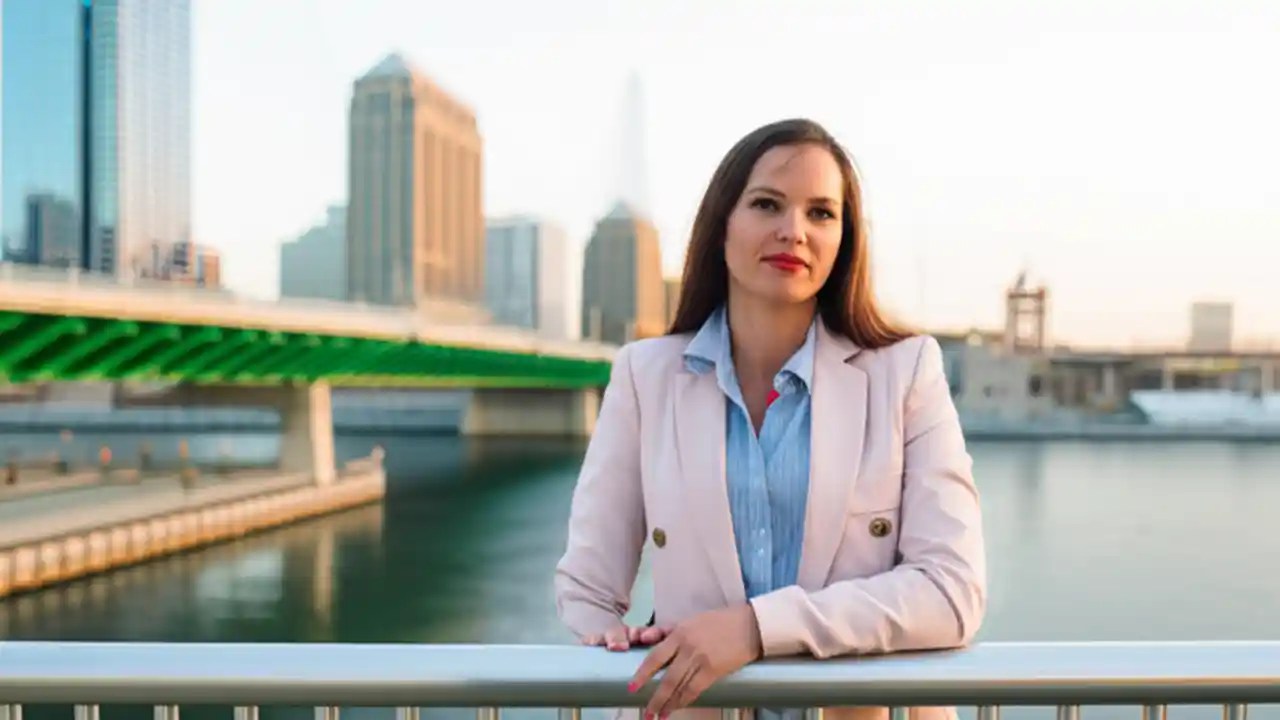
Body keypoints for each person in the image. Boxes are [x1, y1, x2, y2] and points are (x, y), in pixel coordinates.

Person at [554, 118, 986, 720]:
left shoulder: (906, 371)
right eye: (767, 204)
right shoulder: (644, 375)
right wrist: (619, 653)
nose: (794, 232)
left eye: (821, 213)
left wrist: (755, 629)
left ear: (845, 240)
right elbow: (588, 590)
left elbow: (951, 591)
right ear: (721, 225)